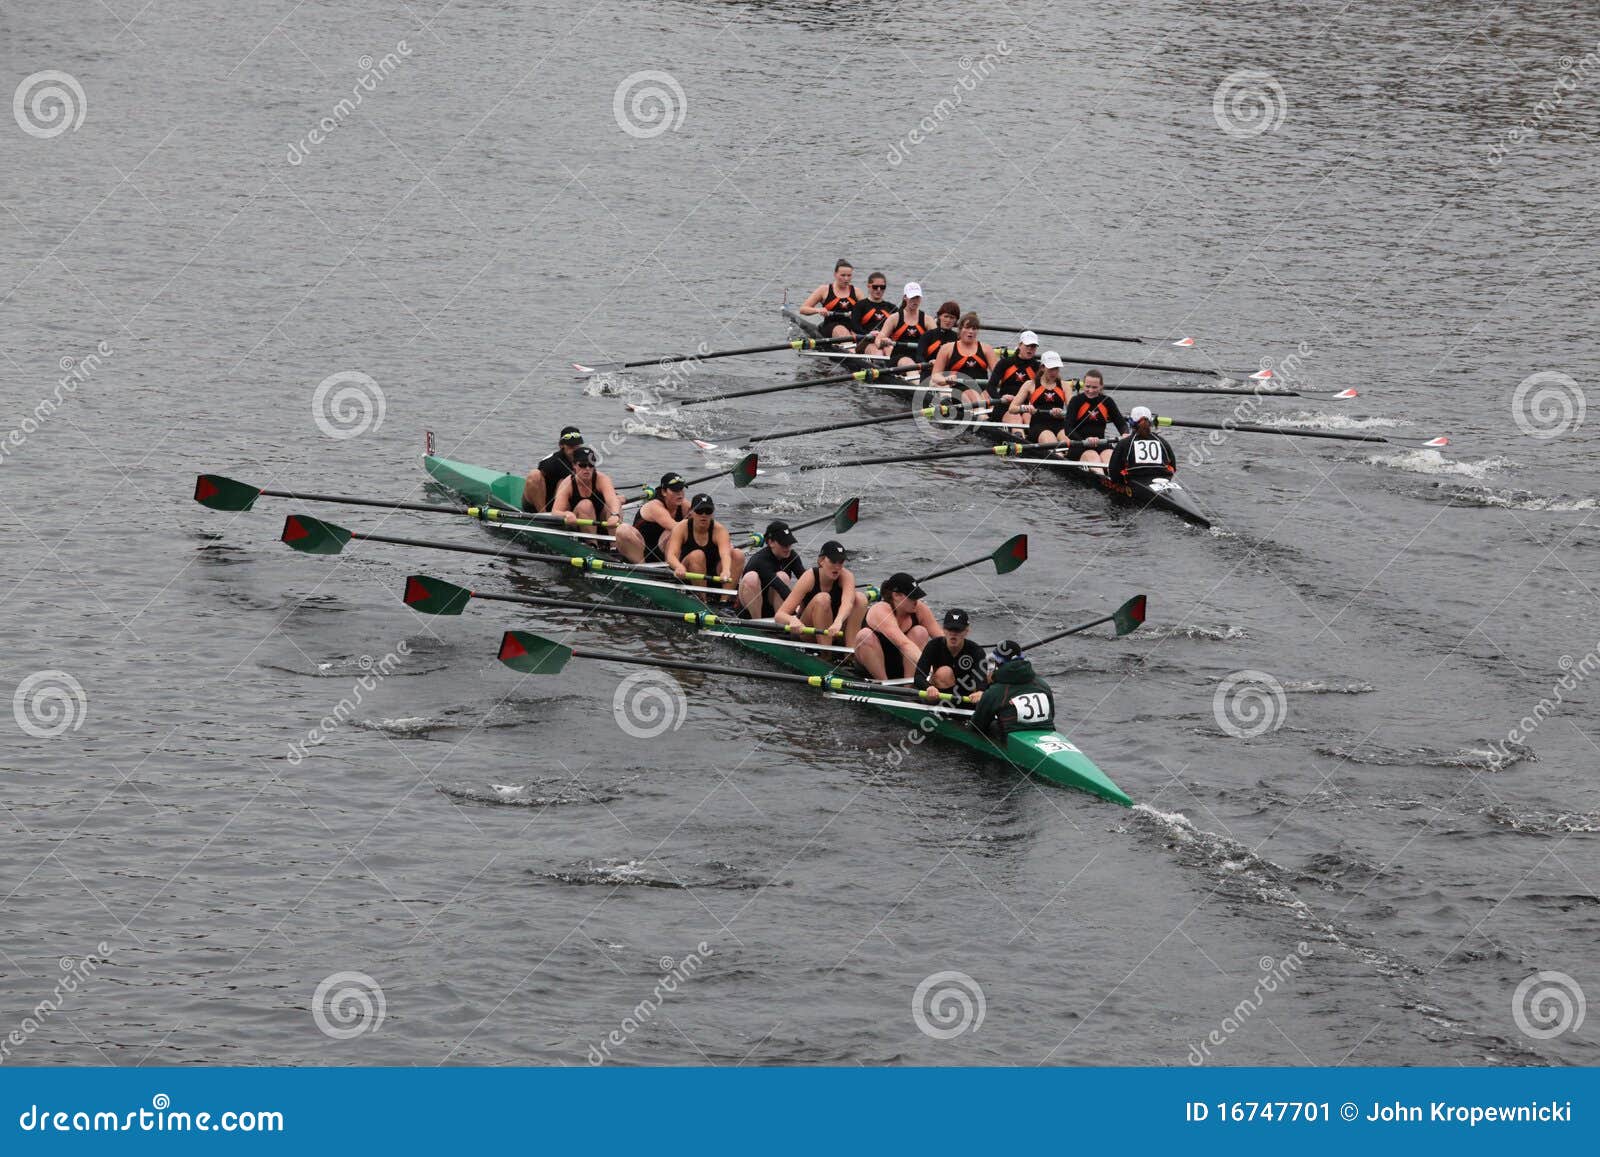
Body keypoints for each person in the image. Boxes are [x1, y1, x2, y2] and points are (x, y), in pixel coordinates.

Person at [853, 572, 942, 682]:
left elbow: (942, 642)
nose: (916, 601)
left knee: (920, 632)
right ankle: (884, 685)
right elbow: (904, 644)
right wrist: (929, 669)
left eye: (917, 597)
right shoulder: (880, 610)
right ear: (896, 595)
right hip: (871, 668)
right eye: (912, 597)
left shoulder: (919, 609)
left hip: (902, 667)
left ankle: (909, 686)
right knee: (864, 635)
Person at [773, 539, 866, 643]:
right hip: (808, 632)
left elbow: (847, 603)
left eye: (841, 562)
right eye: (833, 561)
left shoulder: (847, 576)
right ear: (821, 560)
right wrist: (791, 620)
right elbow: (779, 616)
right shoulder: (809, 577)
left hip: (834, 629)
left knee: (860, 599)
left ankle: (850, 653)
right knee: (823, 598)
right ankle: (826, 653)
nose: (837, 567)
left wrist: (838, 621)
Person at [663, 493, 745, 599]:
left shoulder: (720, 530)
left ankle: (724, 601)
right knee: (698, 554)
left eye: (708, 511)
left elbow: (725, 554)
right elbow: (671, 555)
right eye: (699, 511)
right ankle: (703, 600)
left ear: (712, 513)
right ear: (691, 512)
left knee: (738, 554)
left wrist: (726, 570)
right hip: (688, 573)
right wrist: (678, 567)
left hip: (713, 573)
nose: (704, 515)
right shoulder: (681, 528)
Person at [970, 641, 1055, 738]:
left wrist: (983, 701)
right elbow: (1052, 715)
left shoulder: (995, 691)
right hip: (1047, 730)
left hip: (1010, 735)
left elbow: (976, 727)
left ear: (998, 663)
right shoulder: (1043, 685)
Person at [913, 608, 989, 703]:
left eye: (958, 630)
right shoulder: (933, 646)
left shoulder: (976, 650)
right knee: (944, 672)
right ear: (944, 629)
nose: (953, 634)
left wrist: (981, 691)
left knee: (990, 678)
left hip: (967, 697)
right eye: (950, 629)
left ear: (966, 631)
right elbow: (918, 676)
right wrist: (928, 687)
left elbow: (981, 677)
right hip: (940, 695)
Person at [1061, 369, 1127, 471]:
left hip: (1101, 443)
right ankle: (1104, 482)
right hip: (1079, 446)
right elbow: (1068, 429)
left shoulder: (1107, 401)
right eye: (1087, 386)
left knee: (1111, 458)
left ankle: (1117, 481)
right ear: (1083, 385)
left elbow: (1121, 423)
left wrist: (1125, 434)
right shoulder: (1076, 401)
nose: (1090, 390)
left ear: (1101, 387)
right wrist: (1084, 441)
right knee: (1093, 457)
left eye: (1094, 387)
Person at [738, 519, 805, 619]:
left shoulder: (792, 556)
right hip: (749, 608)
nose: (788, 548)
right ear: (771, 542)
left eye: (789, 544)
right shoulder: (760, 560)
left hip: (772, 605)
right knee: (752, 577)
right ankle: (757, 623)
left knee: (783, 576)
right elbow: (780, 587)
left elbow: (806, 580)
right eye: (784, 544)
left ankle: (781, 622)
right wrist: (796, 608)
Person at [615, 471, 686, 564]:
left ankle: (673, 565)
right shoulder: (655, 506)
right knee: (622, 529)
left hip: (663, 552)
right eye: (675, 490)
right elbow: (676, 527)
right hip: (641, 552)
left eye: (681, 489)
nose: (680, 493)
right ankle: (642, 568)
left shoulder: (684, 505)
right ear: (664, 492)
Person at [1002, 351, 1071, 444]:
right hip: (1039, 426)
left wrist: (1062, 413)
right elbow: (1012, 408)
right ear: (1042, 368)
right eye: (1051, 369)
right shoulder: (1030, 385)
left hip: (1060, 424)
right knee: (1050, 441)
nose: (1054, 372)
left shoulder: (1065, 386)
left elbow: (1072, 413)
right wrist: (1024, 408)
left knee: (1068, 442)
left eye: (1056, 368)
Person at [931, 312, 998, 406]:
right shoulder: (947, 348)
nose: (970, 331)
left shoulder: (987, 349)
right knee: (972, 393)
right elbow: (935, 376)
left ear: (977, 331)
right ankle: (983, 416)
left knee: (979, 395)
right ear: (960, 329)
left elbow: (998, 377)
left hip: (982, 390)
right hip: (957, 390)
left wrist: (990, 390)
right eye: (967, 328)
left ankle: (983, 414)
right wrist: (946, 380)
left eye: (974, 329)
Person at [549, 446, 623, 528]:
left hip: (603, 522)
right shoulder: (567, 483)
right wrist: (566, 514)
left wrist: (615, 515)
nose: (587, 468)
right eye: (583, 465)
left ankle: (615, 539)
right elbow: (555, 511)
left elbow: (612, 500)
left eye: (591, 465)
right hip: (579, 524)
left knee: (616, 504)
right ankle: (592, 541)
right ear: (574, 465)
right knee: (585, 505)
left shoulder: (602, 479)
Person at [1107, 405, 1177, 483]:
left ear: (1130, 422)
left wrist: (1120, 483)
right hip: (1164, 479)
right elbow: (1173, 467)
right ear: (1151, 422)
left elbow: (1113, 472)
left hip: (1135, 482)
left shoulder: (1124, 443)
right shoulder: (1162, 441)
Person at [867, 282, 929, 369]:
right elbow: (878, 340)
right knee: (908, 362)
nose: (915, 301)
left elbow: (938, 340)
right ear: (905, 297)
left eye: (917, 297)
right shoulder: (894, 318)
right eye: (912, 297)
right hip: (898, 358)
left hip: (920, 357)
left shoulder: (927, 320)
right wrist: (882, 342)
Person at [522, 426, 584, 512]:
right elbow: (534, 481)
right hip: (538, 504)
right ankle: (543, 515)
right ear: (561, 445)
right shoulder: (552, 462)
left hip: (562, 506)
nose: (574, 450)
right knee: (535, 474)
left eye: (577, 446)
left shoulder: (585, 462)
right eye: (571, 446)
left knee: (566, 482)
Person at [798, 259, 858, 342]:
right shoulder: (824, 290)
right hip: (830, 326)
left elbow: (867, 311)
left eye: (849, 275)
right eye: (843, 275)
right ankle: (850, 349)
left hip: (851, 326)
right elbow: (803, 309)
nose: (846, 278)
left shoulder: (857, 292)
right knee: (840, 330)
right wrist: (818, 310)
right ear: (835, 274)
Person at [985, 330, 1040, 418]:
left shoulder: (1037, 367)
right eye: (1027, 345)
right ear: (1019, 345)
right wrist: (1001, 398)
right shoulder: (1005, 363)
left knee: (1027, 417)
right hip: (1005, 405)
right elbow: (990, 386)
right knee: (1015, 417)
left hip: (1026, 407)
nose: (1030, 349)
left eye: (1033, 346)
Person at [915, 300, 961, 368]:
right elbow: (919, 356)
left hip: (949, 372)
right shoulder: (928, 335)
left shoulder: (958, 338)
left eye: (952, 318)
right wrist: (928, 363)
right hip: (929, 369)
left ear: (956, 320)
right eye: (946, 316)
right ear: (939, 316)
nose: (948, 320)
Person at [850, 272, 895, 342]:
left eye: (882, 287)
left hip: (885, 341)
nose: (879, 290)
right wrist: (868, 334)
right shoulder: (860, 305)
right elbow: (855, 326)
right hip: (865, 341)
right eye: (875, 287)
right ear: (868, 286)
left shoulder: (892, 308)